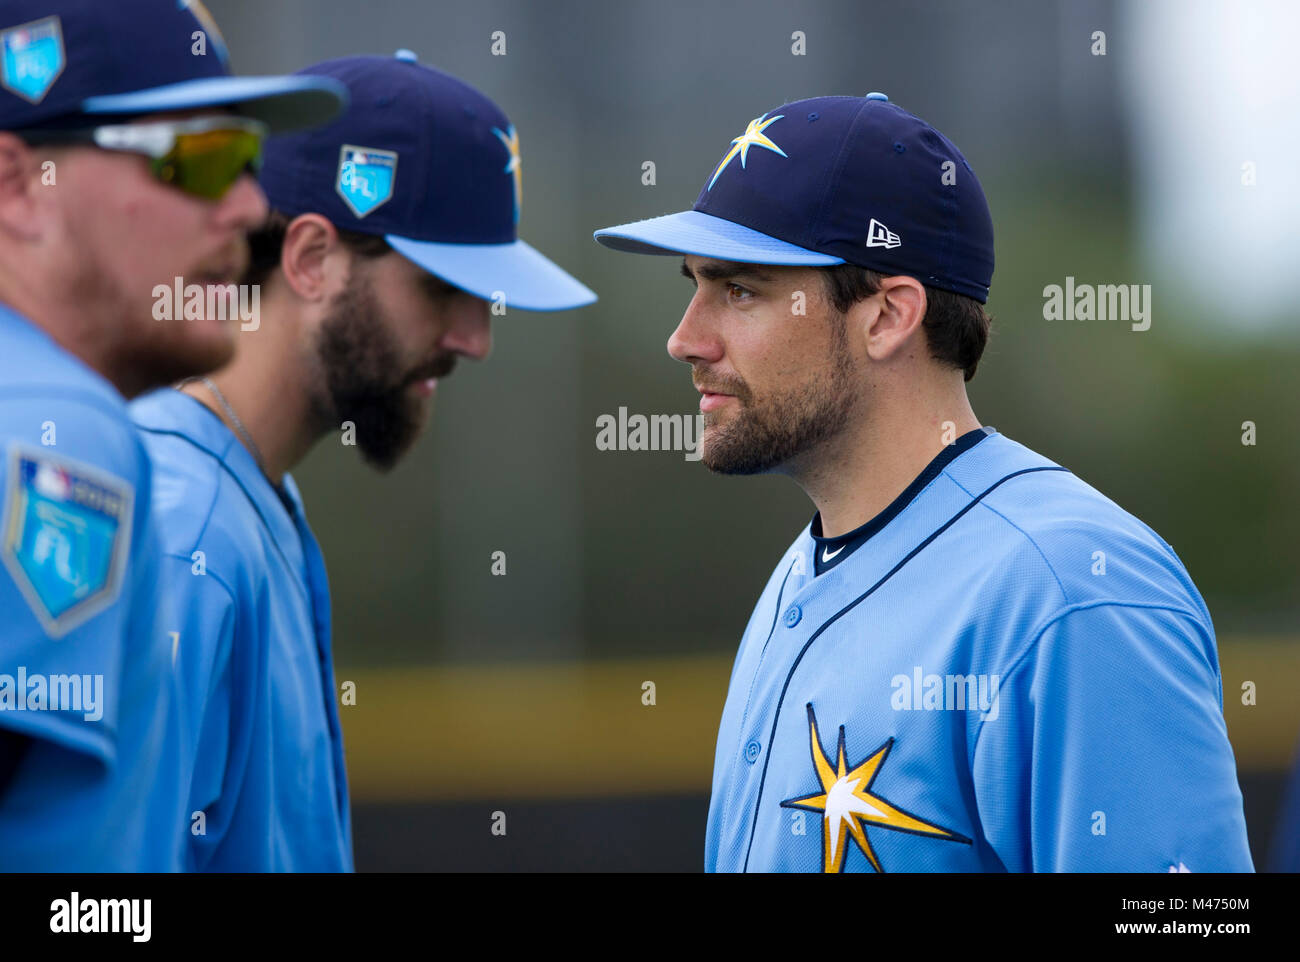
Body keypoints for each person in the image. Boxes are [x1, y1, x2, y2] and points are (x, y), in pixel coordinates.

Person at [593, 93, 1253, 872]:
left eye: (739, 290)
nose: (684, 338)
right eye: (694, 284)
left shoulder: (1070, 589)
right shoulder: (798, 578)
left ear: (886, 317)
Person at [129, 51, 596, 871]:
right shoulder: (182, 528)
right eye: (438, 288)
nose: (474, 340)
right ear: (310, 258)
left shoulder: (249, 493)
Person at [0, 0, 344, 869]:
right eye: (197, 160)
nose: (250, 205)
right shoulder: (63, 432)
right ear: (18, 189)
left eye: (249, 160)